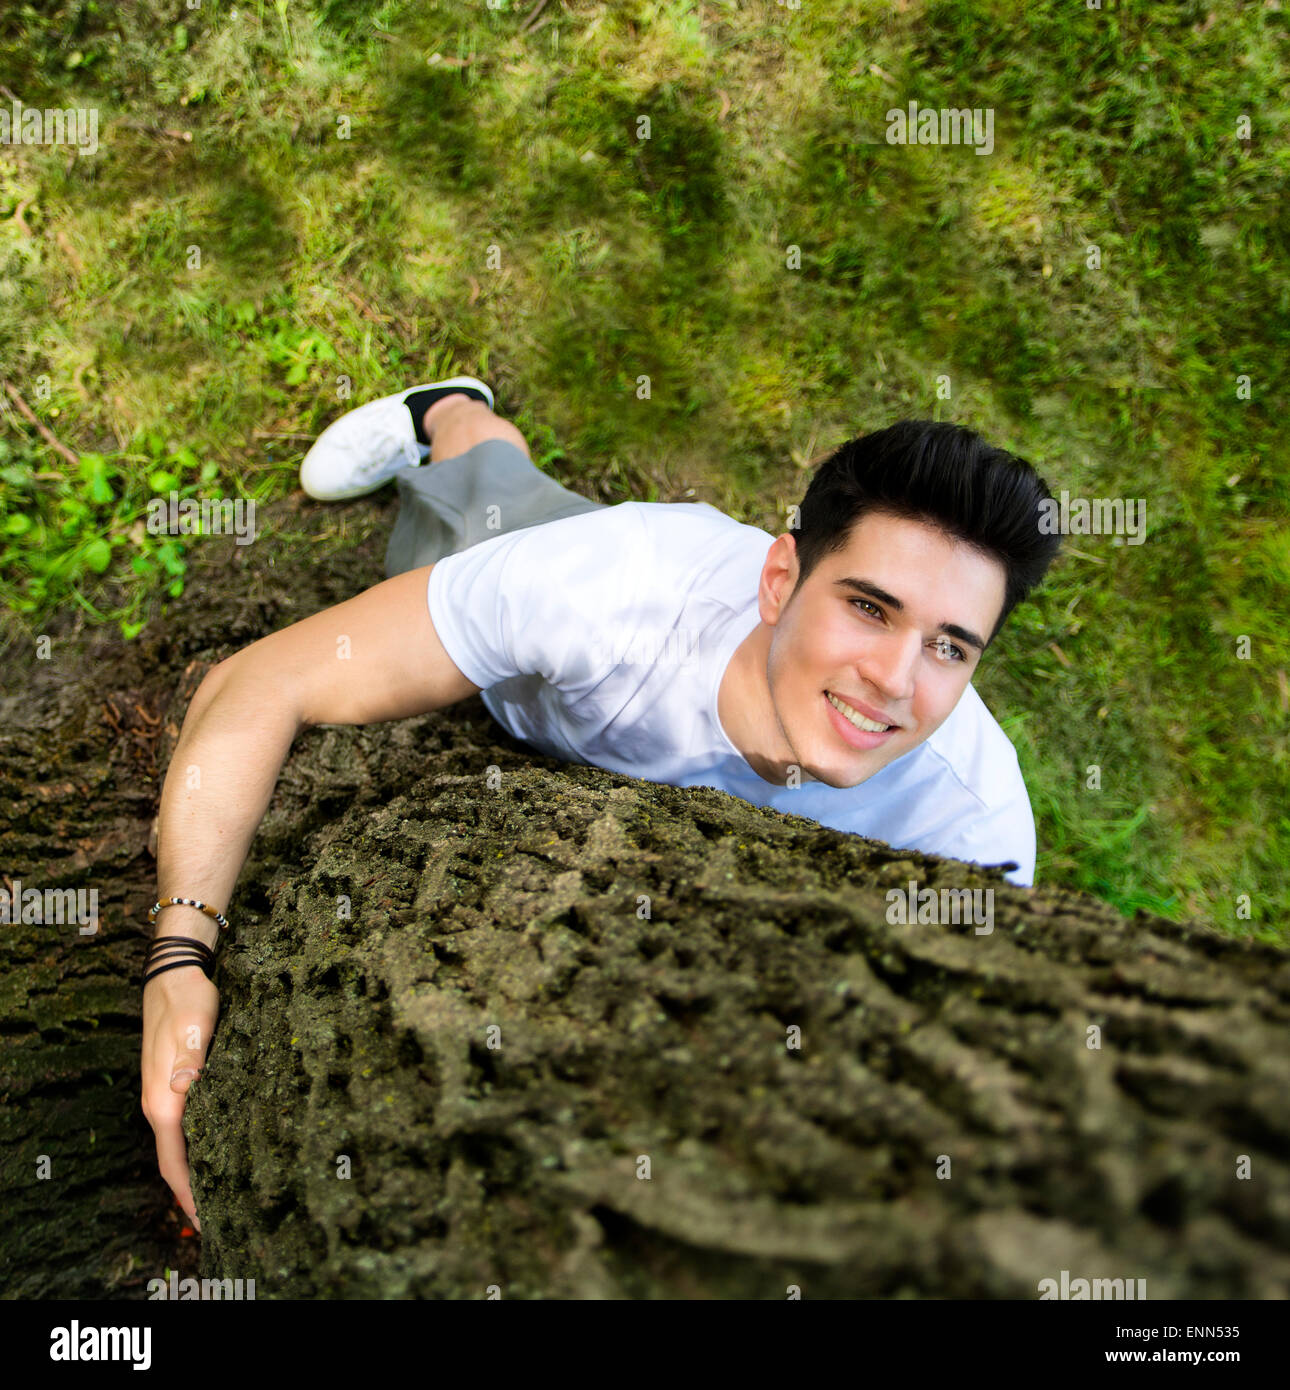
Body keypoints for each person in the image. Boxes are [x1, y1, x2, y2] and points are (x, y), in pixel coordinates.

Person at [141, 376, 1061, 1230]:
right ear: (779, 580)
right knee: (476, 495)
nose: (895, 682)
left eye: (950, 647)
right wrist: (180, 952)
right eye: (869, 607)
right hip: (519, 690)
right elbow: (263, 682)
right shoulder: (604, 588)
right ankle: (454, 412)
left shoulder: (967, 833)